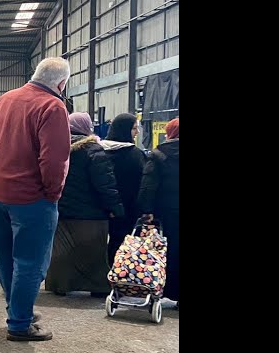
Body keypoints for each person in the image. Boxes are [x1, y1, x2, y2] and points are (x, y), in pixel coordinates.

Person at [0, 57, 72, 342]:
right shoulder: (53, 106)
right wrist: (52, 193)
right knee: (31, 262)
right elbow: (54, 159)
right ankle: (20, 323)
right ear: (61, 84)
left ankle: (17, 310)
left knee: (7, 258)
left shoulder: (5, 99)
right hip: (31, 197)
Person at [45, 112, 123, 296]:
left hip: (61, 210)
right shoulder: (93, 150)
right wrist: (115, 208)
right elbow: (105, 183)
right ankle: (96, 287)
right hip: (91, 214)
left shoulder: (55, 148)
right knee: (93, 252)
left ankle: (60, 285)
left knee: (62, 253)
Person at [139, 117, 180, 309]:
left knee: (166, 251)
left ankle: (164, 289)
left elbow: (148, 186)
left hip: (168, 212)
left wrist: (147, 211)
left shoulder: (158, 154)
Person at [101, 113, 147, 261]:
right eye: (134, 129)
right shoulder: (136, 155)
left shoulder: (99, 152)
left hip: (102, 208)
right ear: (124, 129)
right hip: (129, 209)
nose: (137, 132)